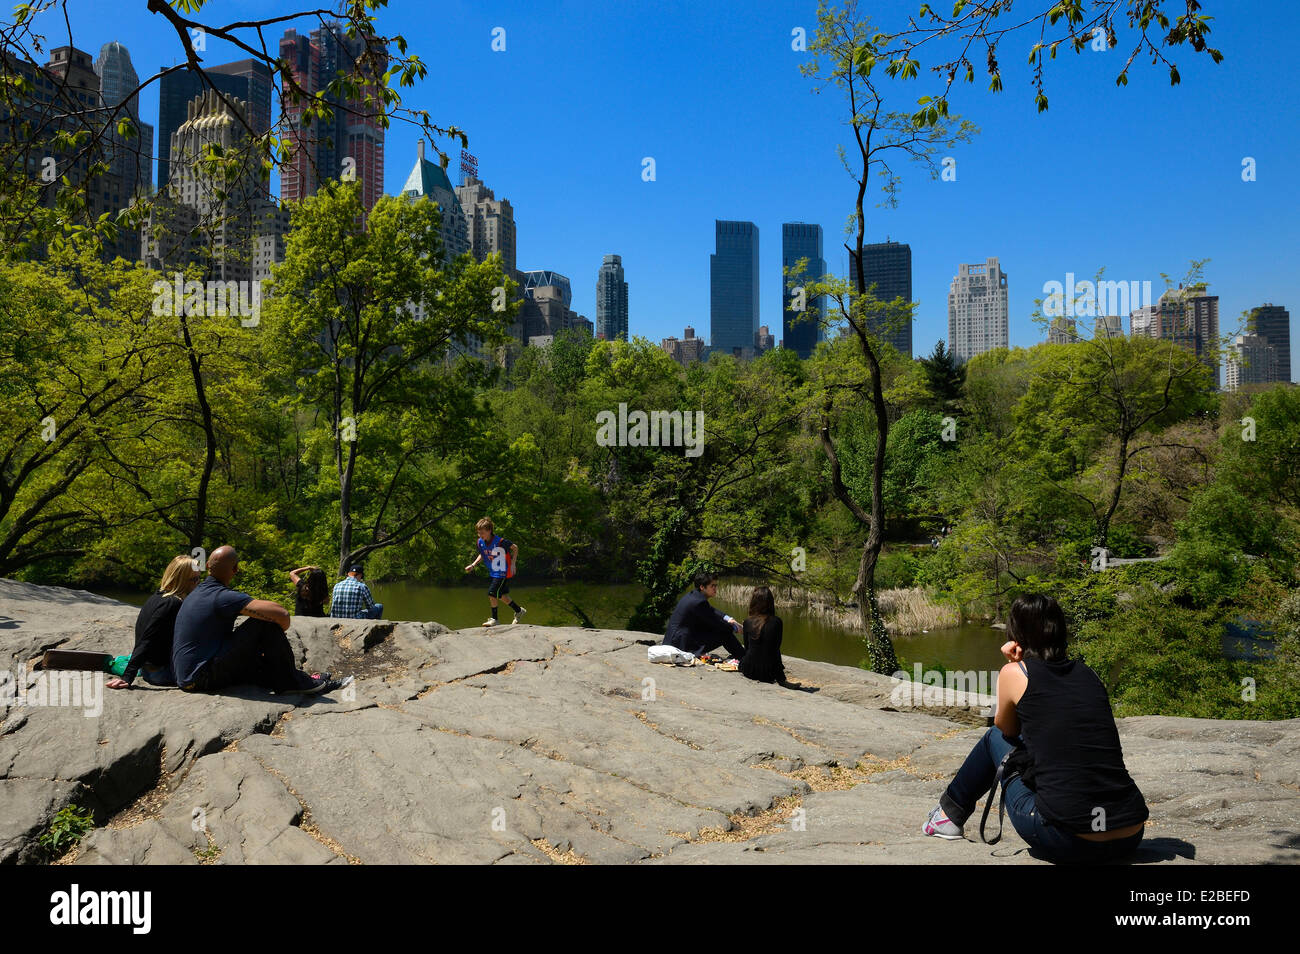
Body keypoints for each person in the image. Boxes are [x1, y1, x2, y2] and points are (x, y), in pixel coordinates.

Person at [922, 593, 1148, 864]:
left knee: (994, 738)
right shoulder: (1090, 674)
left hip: (1067, 839)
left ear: (1016, 633)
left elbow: (1006, 729)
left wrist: (1012, 666)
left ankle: (949, 816)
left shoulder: (1016, 673)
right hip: (1129, 835)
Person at [172, 545, 349, 696]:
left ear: (208, 566)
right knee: (264, 623)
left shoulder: (197, 592)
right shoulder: (222, 596)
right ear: (235, 569)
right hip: (202, 676)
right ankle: (295, 683)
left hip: (187, 676)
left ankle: (300, 679)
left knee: (260, 664)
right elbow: (282, 615)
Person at [106, 555, 200, 690]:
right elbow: (147, 639)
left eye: (199, 578)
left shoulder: (158, 596)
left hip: (149, 670)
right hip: (159, 673)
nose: (198, 584)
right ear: (181, 580)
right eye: (194, 579)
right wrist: (127, 677)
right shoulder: (173, 604)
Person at [662, 570, 745, 660]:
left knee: (719, 628)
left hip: (675, 640)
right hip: (680, 646)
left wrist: (728, 619)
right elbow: (718, 624)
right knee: (724, 633)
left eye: (716, 585)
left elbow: (711, 610)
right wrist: (735, 628)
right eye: (712, 586)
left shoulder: (694, 595)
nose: (715, 588)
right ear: (702, 587)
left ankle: (741, 655)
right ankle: (744, 658)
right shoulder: (699, 602)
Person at [464, 517, 525, 628]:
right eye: (478, 533)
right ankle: (519, 611)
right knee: (500, 595)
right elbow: (482, 555)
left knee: (492, 593)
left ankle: (495, 619)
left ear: (489, 531)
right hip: (494, 571)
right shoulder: (480, 542)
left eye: (482, 532)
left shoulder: (501, 542)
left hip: (503, 572)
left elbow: (515, 548)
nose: (480, 535)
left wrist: (513, 563)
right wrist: (473, 565)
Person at [738, 586, 785, 684]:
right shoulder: (777, 622)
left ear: (753, 602)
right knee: (773, 651)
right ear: (770, 602)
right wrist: (780, 676)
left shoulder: (747, 622)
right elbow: (776, 649)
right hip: (767, 673)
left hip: (748, 669)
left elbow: (747, 648)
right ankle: (781, 678)